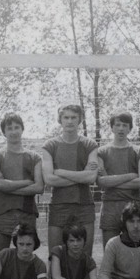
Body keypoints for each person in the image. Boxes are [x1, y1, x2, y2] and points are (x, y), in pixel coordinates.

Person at [41, 104, 99, 256]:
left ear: (80, 119)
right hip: (59, 205)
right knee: (55, 253)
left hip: (84, 204)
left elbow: (92, 177)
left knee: (85, 253)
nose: (70, 121)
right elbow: (49, 179)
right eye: (66, 117)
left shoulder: (89, 144)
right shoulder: (50, 145)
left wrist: (61, 172)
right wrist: (82, 176)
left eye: (74, 117)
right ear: (60, 120)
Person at [0, 112, 44, 256]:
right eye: (9, 128)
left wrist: (7, 186)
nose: (13, 132)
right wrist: (27, 182)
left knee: (25, 258)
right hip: (3, 213)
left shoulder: (34, 157)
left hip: (27, 213)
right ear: (4, 132)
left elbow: (38, 187)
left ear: (22, 129)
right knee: (1, 258)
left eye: (16, 127)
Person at [96, 112, 140, 249]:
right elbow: (101, 182)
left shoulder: (138, 151)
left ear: (130, 128)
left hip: (133, 206)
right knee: (110, 251)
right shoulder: (101, 151)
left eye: (125, 125)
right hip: (110, 207)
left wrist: (111, 181)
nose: (121, 128)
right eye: (117, 125)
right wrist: (130, 175)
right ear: (111, 128)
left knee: (134, 251)